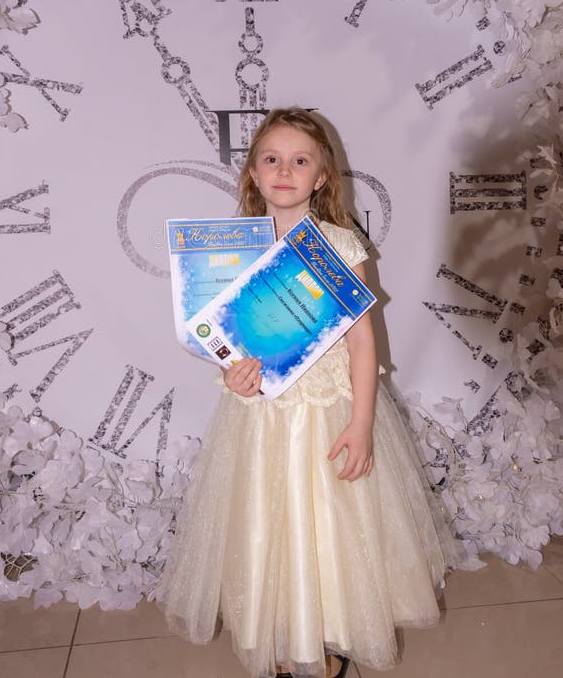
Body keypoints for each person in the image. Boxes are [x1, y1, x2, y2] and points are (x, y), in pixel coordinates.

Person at [155, 108, 469, 678]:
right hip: (260, 415)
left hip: (329, 411)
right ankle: (280, 635)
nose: (284, 170)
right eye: (271, 159)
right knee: (263, 521)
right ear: (252, 171)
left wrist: (362, 423)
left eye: (300, 160)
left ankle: (327, 633)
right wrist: (228, 372)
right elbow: (214, 334)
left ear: (321, 177)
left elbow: (363, 344)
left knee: (331, 525)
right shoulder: (233, 250)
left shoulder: (340, 245)